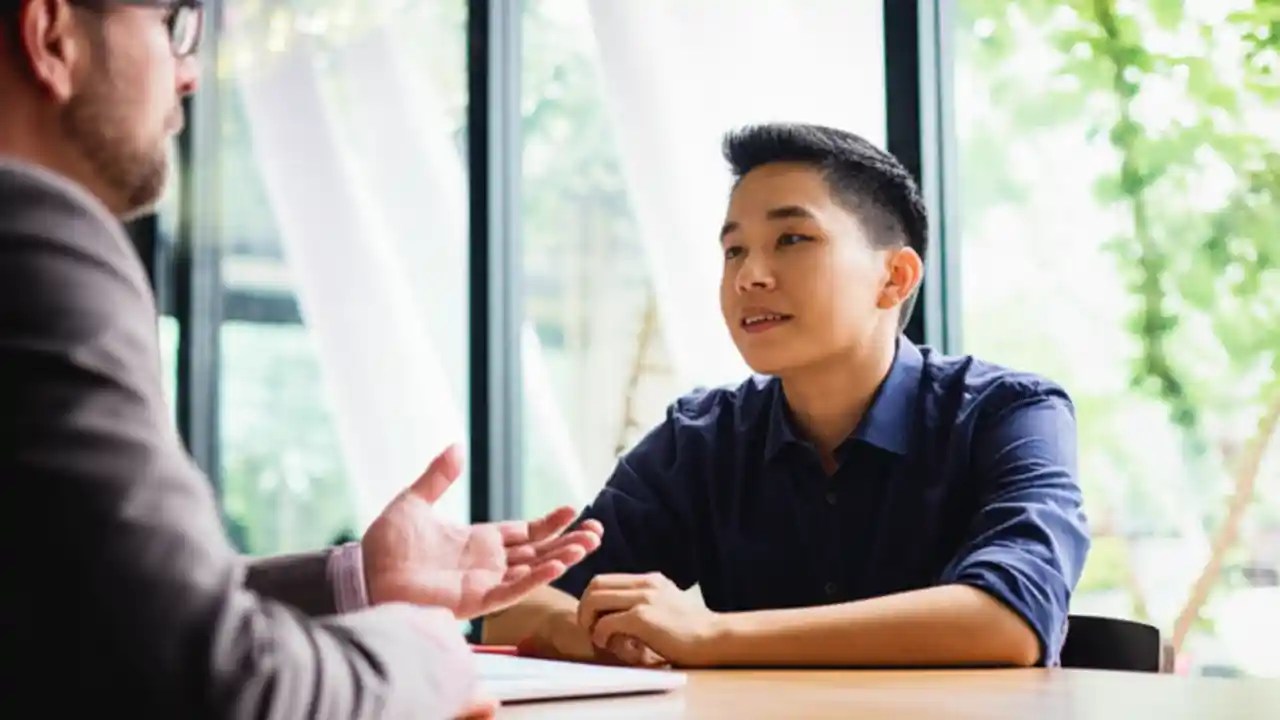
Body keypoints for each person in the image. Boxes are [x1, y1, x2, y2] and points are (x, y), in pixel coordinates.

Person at [0, 1, 603, 717]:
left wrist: (360, 580)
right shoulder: (31, 243)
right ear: (52, 35)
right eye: (173, 26)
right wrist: (425, 652)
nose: (189, 73)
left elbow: (88, 608)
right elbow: (210, 679)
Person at [482, 122, 1091, 669]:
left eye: (793, 240)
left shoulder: (1011, 413)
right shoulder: (702, 438)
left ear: (894, 277)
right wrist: (606, 632)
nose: (750, 275)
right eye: (734, 250)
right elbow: (515, 606)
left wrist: (712, 637)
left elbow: (1009, 621)